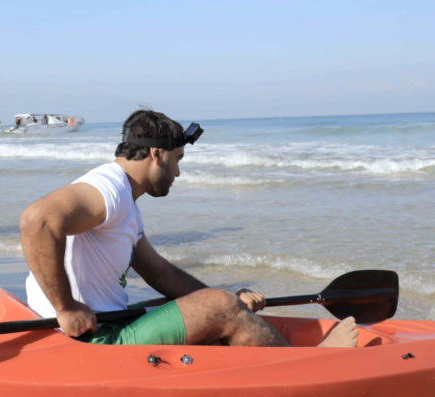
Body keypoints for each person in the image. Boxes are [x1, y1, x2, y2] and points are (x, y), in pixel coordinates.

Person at [21, 109, 358, 349]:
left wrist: (233, 301)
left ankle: (245, 339)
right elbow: (38, 221)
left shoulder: (125, 202)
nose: (178, 173)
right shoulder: (109, 190)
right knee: (218, 306)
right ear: (157, 154)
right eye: (177, 160)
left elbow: (161, 274)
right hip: (94, 338)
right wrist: (65, 308)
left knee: (211, 302)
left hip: (107, 322)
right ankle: (312, 363)